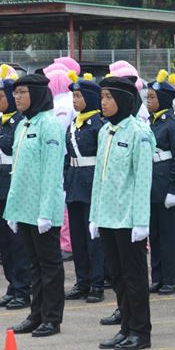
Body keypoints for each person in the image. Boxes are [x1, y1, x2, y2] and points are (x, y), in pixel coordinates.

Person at [90, 75, 155, 350]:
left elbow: (143, 180)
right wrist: (94, 215)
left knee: (134, 277)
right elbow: (99, 177)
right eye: (102, 97)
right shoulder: (105, 131)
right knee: (116, 275)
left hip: (128, 218)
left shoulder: (139, 132)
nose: (103, 102)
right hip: (107, 215)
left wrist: (141, 222)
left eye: (109, 97)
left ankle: (140, 330)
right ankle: (126, 326)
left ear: (123, 100)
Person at [4, 74, 67, 339]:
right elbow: (18, 171)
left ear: (38, 94)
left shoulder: (49, 125)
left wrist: (46, 212)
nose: (17, 97)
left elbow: (52, 172)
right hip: (25, 207)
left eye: (22, 92)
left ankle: (51, 317)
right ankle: (36, 313)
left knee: (49, 265)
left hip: (43, 209)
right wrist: (13, 209)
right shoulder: (23, 124)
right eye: (16, 93)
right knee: (34, 265)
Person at [0, 70, 32, 309]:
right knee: (5, 242)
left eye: (1, 96)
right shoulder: (0, 123)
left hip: (14, 185)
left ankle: (23, 289)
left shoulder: (20, 123)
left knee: (17, 242)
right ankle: (12, 285)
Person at [64, 72, 106, 304]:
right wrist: (66, 180)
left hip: (91, 184)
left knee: (94, 239)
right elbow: (67, 156)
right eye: (74, 96)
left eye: (79, 96)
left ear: (90, 98)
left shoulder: (99, 125)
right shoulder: (74, 124)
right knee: (78, 237)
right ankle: (82, 281)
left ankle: (97, 283)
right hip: (74, 184)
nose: (75, 100)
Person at [146, 71, 175, 296]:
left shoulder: (173, 125)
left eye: (152, 97)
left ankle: (171, 279)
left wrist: (174, 190)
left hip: (166, 188)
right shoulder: (150, 123)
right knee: (155, 235)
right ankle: (158, 277)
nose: (148, 101)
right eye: (148, 97)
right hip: (152, 187)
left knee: (169, 236)